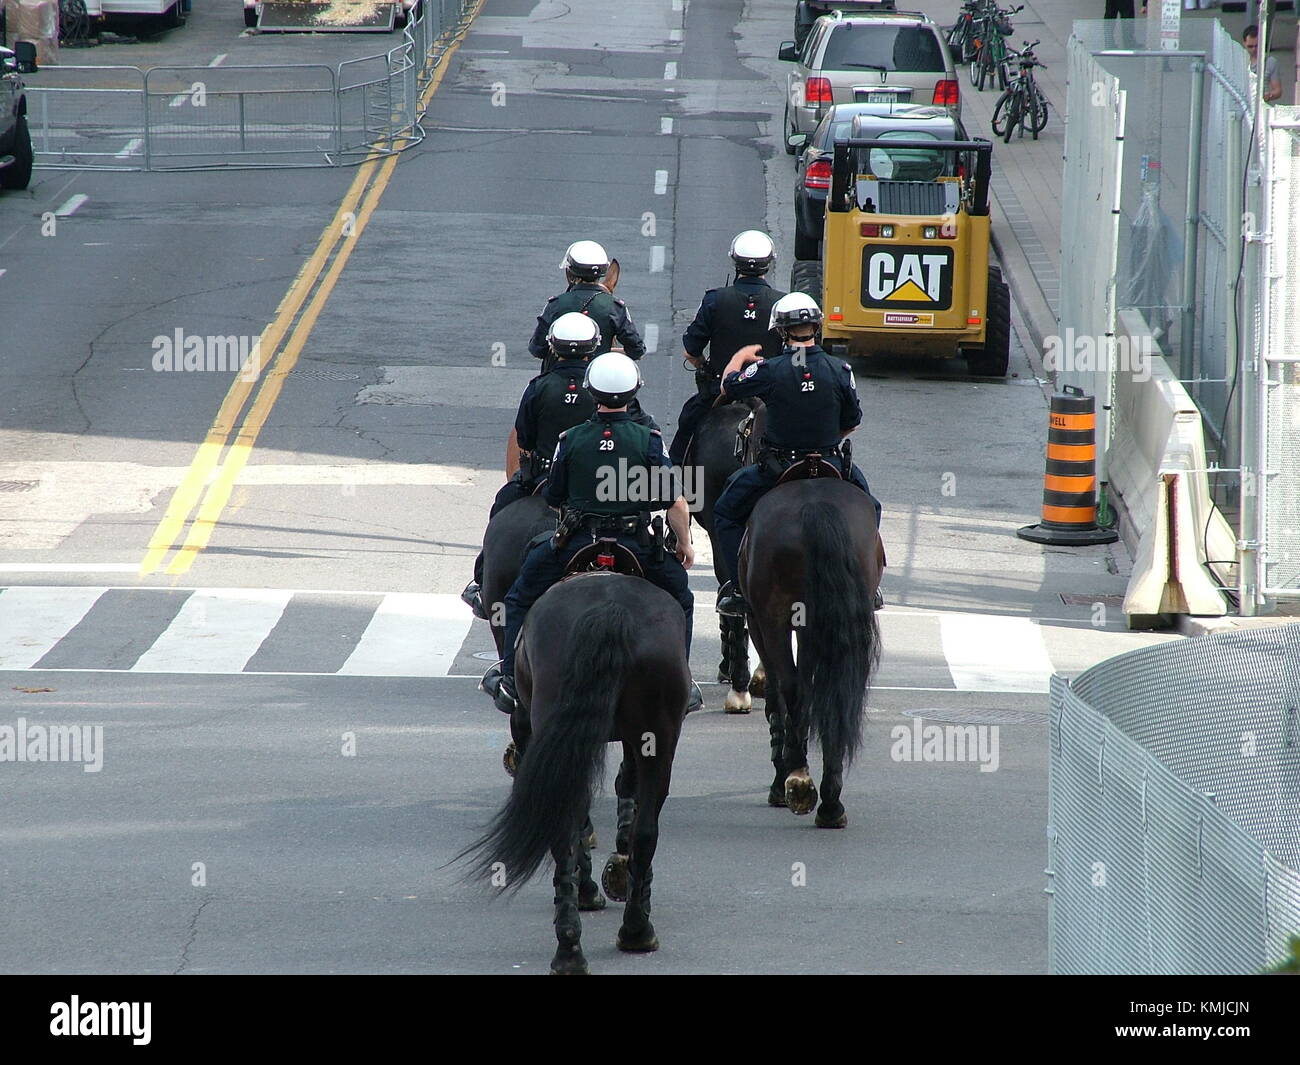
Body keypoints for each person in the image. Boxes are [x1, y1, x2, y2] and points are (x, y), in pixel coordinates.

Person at [482, 352, 701, 714]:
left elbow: (554, 497)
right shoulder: (649, 439)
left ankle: (509, 680)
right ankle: (684, 682)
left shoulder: (570, 439)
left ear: (591, 392)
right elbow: (675, 504)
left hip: (577, 543)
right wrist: (684, 544)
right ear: (633, 392)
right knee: (683, 599)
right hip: (636, 545)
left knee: (519, 598)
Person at [712, 292, 884, 618]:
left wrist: (738, 358)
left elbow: (730, 388)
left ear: (780, 331)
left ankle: (736, 587)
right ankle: (870, 583)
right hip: (832, 464)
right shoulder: (840, 369)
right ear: (817, 327)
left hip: (778, 468)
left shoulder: (770, 370)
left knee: (725, 511)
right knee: (871, 507)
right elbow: (852, 421)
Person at [461, 313, 603, 618]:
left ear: (553, 347)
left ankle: (483, 580)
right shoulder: (602, 387)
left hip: (542, 477)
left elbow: (524, 437)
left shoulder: (540, 386)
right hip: (596, 482)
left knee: (502, 506)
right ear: (594, 348)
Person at [667, 231, 787, 468]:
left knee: (689, 421)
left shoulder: (714, 299)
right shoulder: (782, 303)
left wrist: (705, 367)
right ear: (769, 263)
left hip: (720, 388)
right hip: (768, 392)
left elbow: (691, 350)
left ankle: (672, 473)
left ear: (734, 261)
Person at [527, 241, 646, 365]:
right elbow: (636, 350)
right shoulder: (615, 307)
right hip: (598, 378)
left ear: (569, 273)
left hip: (557, 376)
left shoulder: (555, 304)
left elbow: (537, 350)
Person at [1243, 24, 1284, 103]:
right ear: (1244, 43)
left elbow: (1277, 90)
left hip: (1261, 105)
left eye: (1257, 46)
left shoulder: (1270, 62)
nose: (1254, 49)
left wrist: (1268, 96)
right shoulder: (1240, 59)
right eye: (1250, 46)